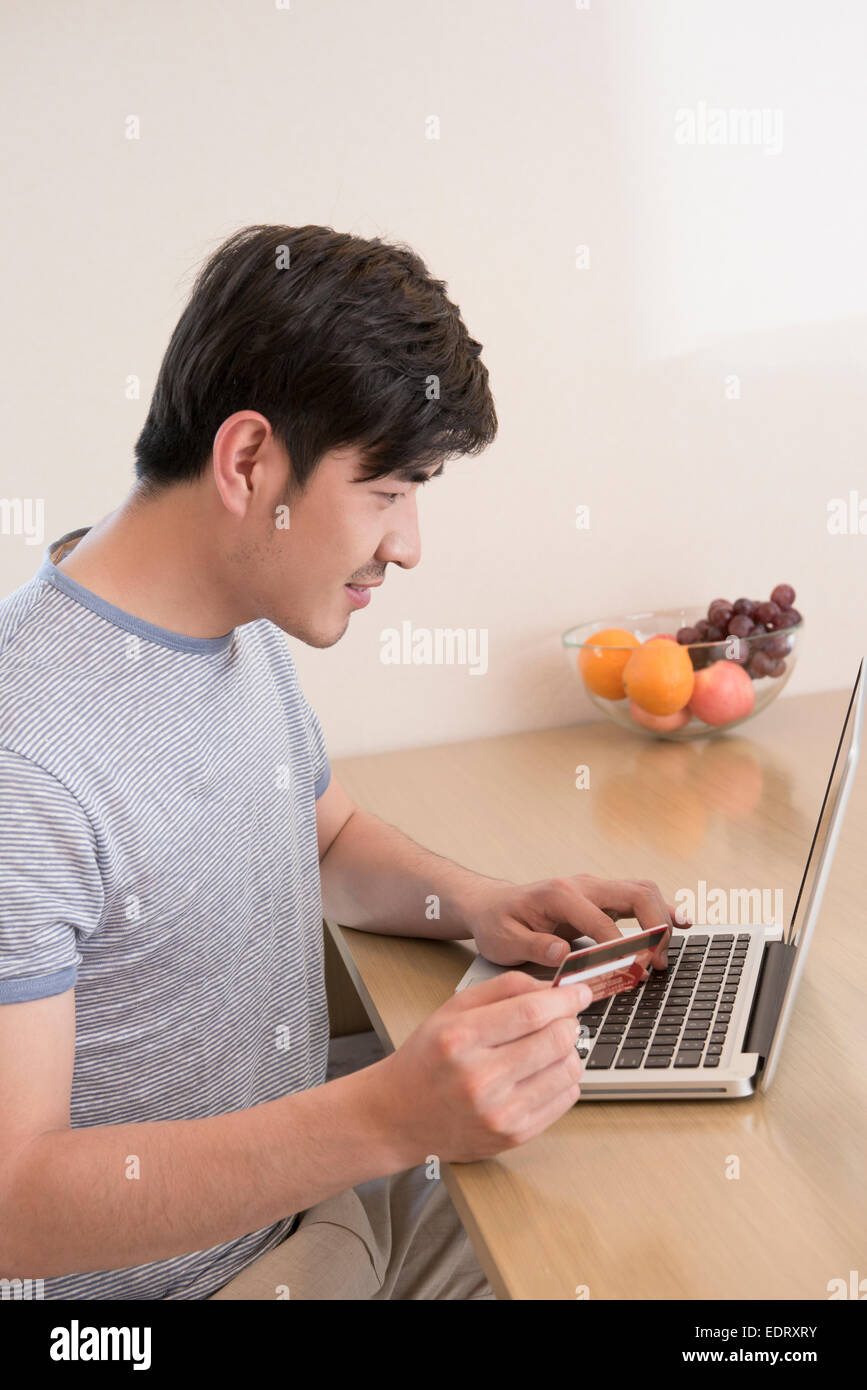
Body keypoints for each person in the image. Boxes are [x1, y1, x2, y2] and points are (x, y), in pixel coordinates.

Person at [0, 224, 684, 1300]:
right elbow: (14, 1204)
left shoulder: (233, 612)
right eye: (389, 491)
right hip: (186, 1290)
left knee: (661, 1219)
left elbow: (322, 836)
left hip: (314, 1208)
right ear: (247, 463)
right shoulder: (28, 759)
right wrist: (385, 1116)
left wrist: (481, 903)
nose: (406, 544)